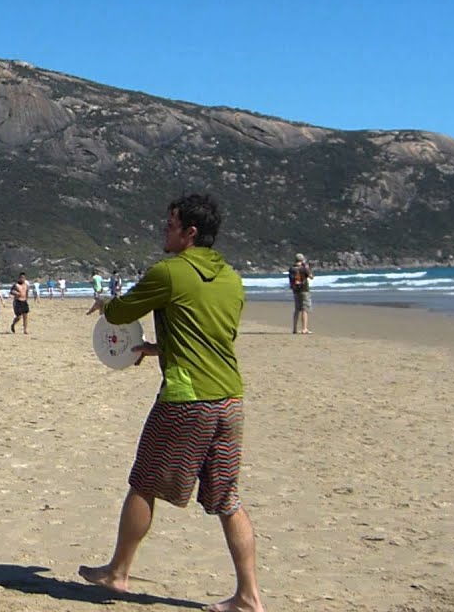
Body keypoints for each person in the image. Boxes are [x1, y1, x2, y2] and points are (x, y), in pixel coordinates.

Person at [81, 193, 264, 612]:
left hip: (186, 399)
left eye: (170, 224)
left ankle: (117, 573)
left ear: (190, 233)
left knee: (144, 483)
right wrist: (157, 348)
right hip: (230, 398)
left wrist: (105, 303)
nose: (164, 230)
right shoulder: (233, 279)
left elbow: (124, 310)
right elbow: (210, 339)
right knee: (228, 498)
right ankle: (249, 596)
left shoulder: (169, 272)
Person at [289, 253, 314, 334]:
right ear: (302, 260)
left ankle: (294, 329)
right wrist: (308, 268)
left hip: (295, 290)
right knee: (304, 309)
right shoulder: (304, 268)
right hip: (304, 290)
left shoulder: (291, 269)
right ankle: (304, 328)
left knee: (297, 309)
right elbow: (311, 276)